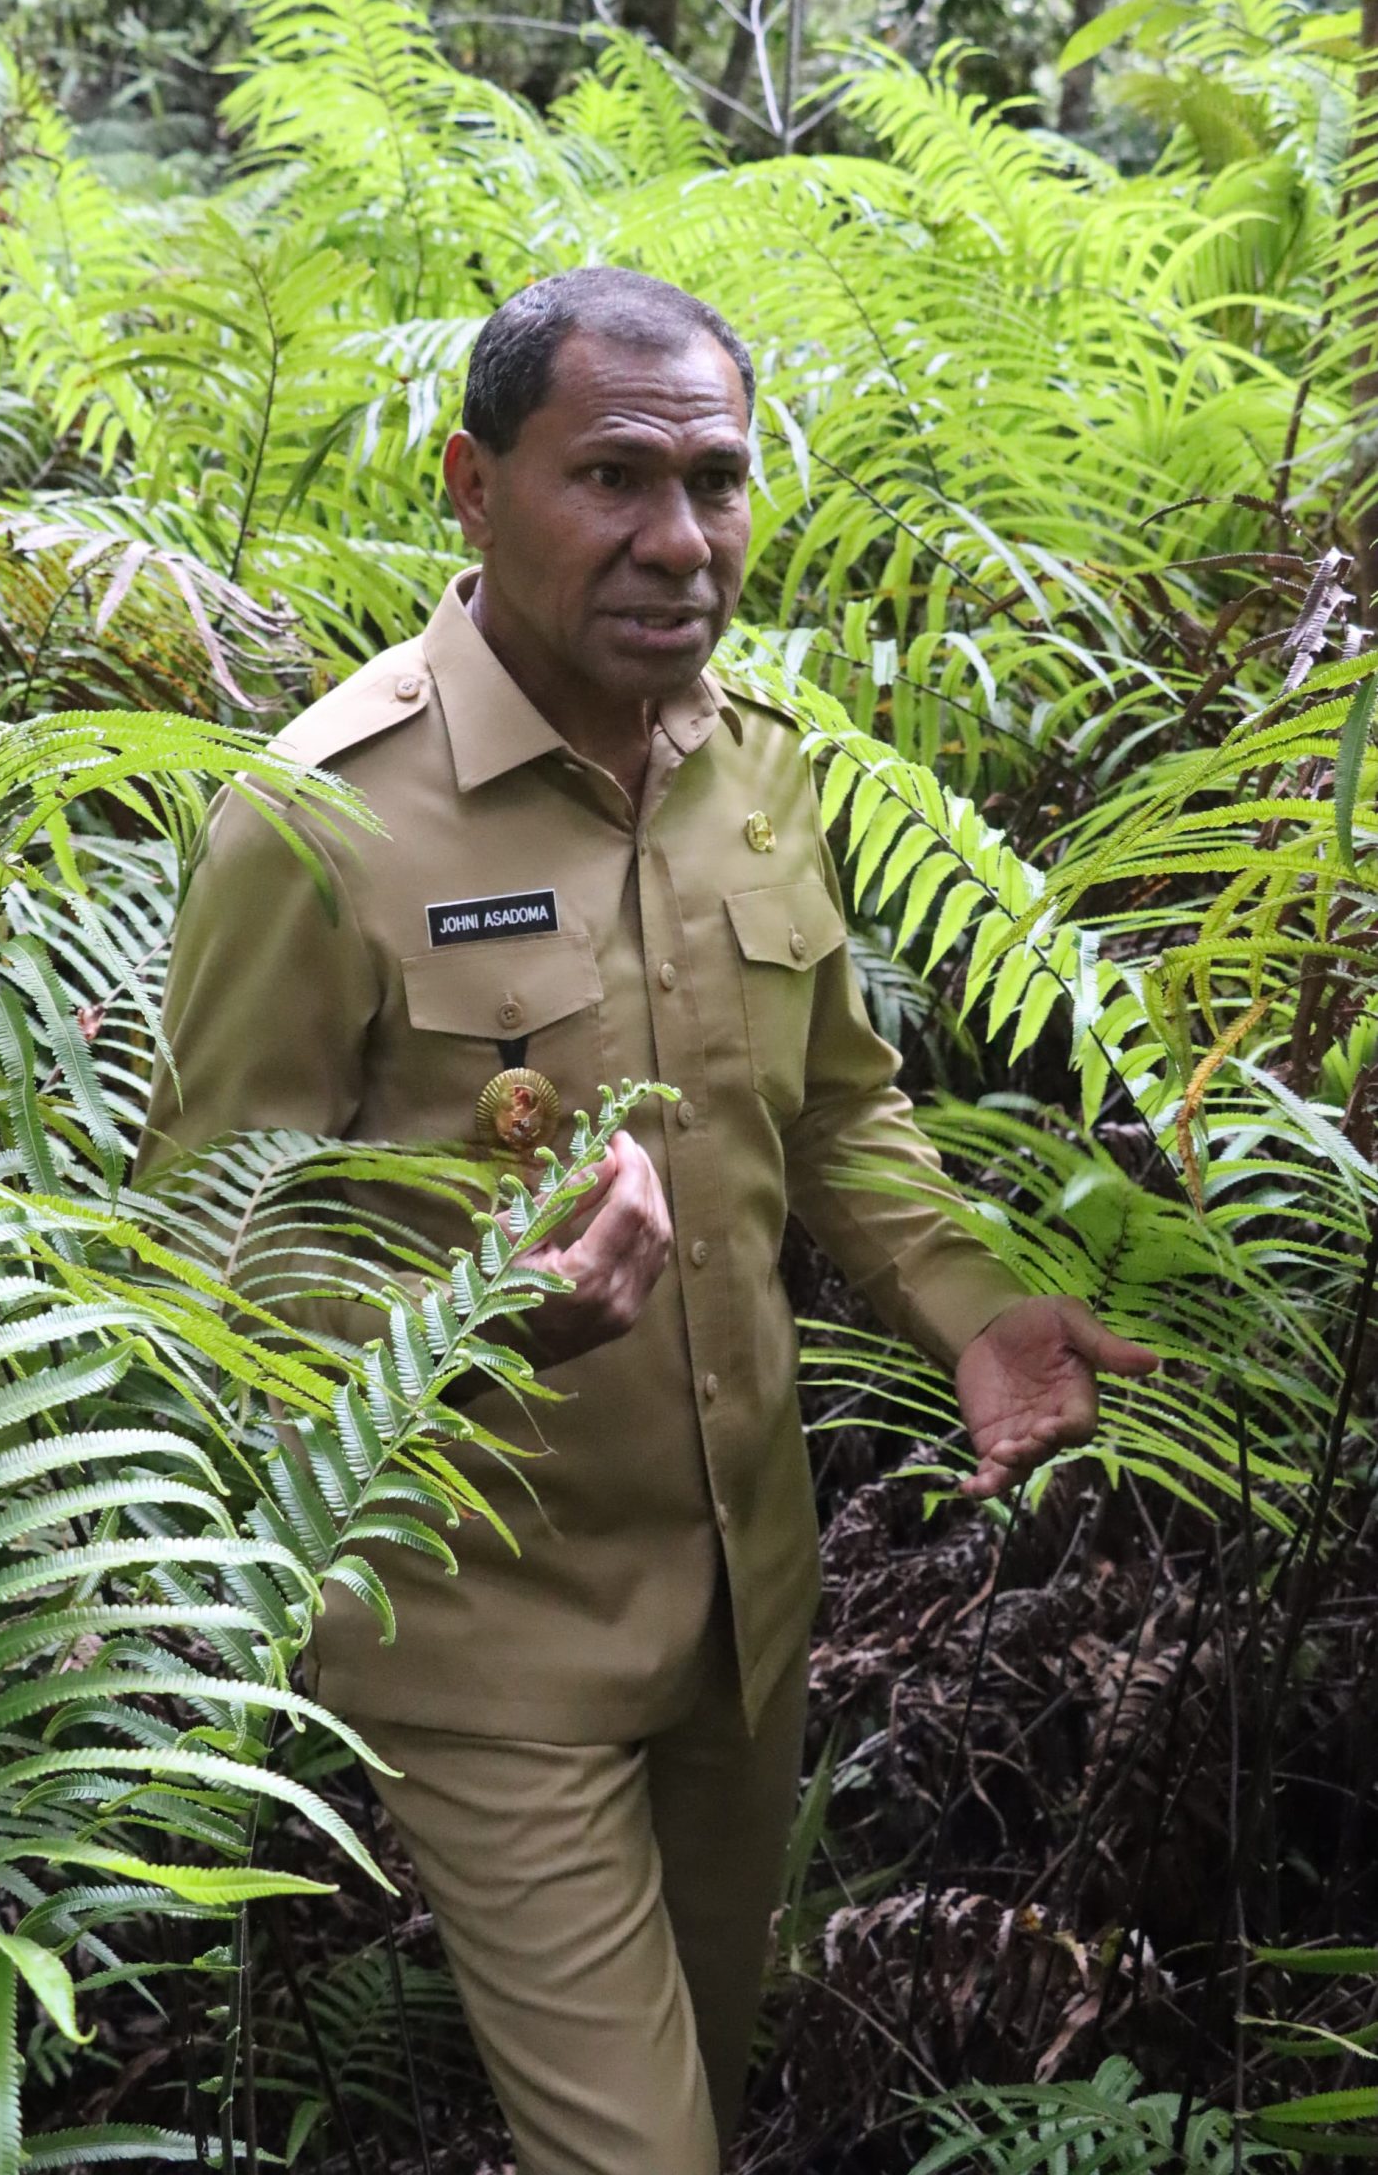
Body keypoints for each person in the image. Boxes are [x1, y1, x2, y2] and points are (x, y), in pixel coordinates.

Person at [138, 266, 1158, 2175]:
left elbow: (840, 1103)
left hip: (748, 1612)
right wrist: (463, 1324)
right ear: (471, 483)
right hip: (479, 1630)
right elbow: (212, 1249)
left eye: (716, 480)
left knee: (703, 2078)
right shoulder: (320, 819)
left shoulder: (760, 772)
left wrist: (973, 1310)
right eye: (612, 478)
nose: (678, 541)